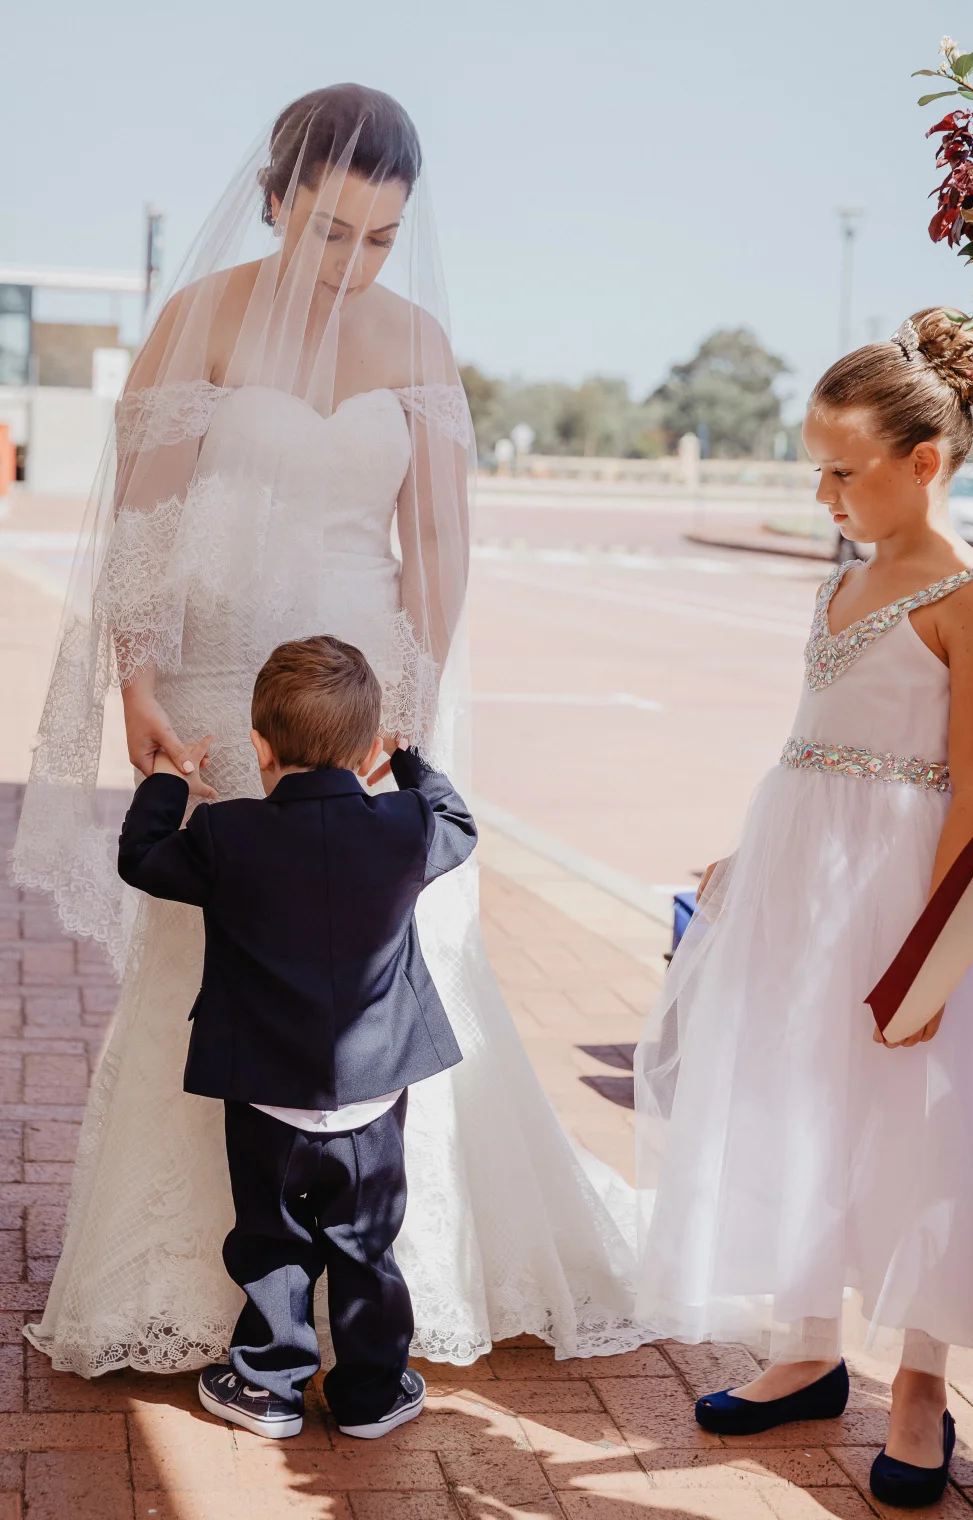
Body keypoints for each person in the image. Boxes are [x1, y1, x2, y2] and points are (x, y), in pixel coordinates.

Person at [13, 83, 644, 1378]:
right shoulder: (200, 316)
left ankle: (383, 1274)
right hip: (216, 692)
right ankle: (194, 1276)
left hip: (362, 700)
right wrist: (137, 679)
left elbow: (440, 545)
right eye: (330, 230)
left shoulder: (416, 340)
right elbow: (145, 521)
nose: (353, 263)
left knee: (389, 962)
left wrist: (411, 709)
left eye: (380, 237)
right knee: (205, 964)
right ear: (277, 199)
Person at [635, 308, 973, 1510]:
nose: (822, 493)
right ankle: (805, 1349)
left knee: (913, 1125)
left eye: (842, 472)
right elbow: (812, 742)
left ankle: (919, 1383)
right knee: (793, 1096)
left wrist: (933, 956)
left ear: (922, 461)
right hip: (802, 879)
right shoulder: (840, 580)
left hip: (907, 896)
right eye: (816, 470)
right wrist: (750, 851)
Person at [118, 635, 476, 1439]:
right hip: (375, 1094)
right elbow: (459, 821)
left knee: (272, 1239)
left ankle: (268, 1388)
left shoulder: (226, 834)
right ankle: (371, 1394)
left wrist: (170, 781)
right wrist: (407, 759)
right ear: (364, 748)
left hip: (267, 1093)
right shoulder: (407, 824)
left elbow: (141, 859)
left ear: (259, 746)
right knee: (366, 1243)